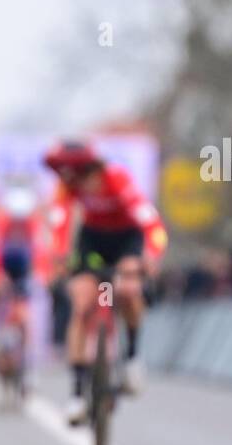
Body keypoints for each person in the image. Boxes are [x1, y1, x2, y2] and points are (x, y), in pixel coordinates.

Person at [43, 140, 168, 425]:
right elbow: (60, 221)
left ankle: (132, 357)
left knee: (128, 289)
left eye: (85, 179)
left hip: (126, 240)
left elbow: (151, 223)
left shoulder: (117, 179)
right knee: (82, 303)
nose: (83, 187)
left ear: (95, 171)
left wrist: (151, 254)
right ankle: (77, 393)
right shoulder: (68, 186)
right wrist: (59, 255)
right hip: (93, 242)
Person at [0, 187, 39, 404]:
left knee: (23, 317)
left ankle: (27, 367)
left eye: (21, 220)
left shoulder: (33, 226)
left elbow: (41, 255)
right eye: (15, 219)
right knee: (0, 315)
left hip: (22, 273)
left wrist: (41, 277)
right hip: (2, 269)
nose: (18, 224)